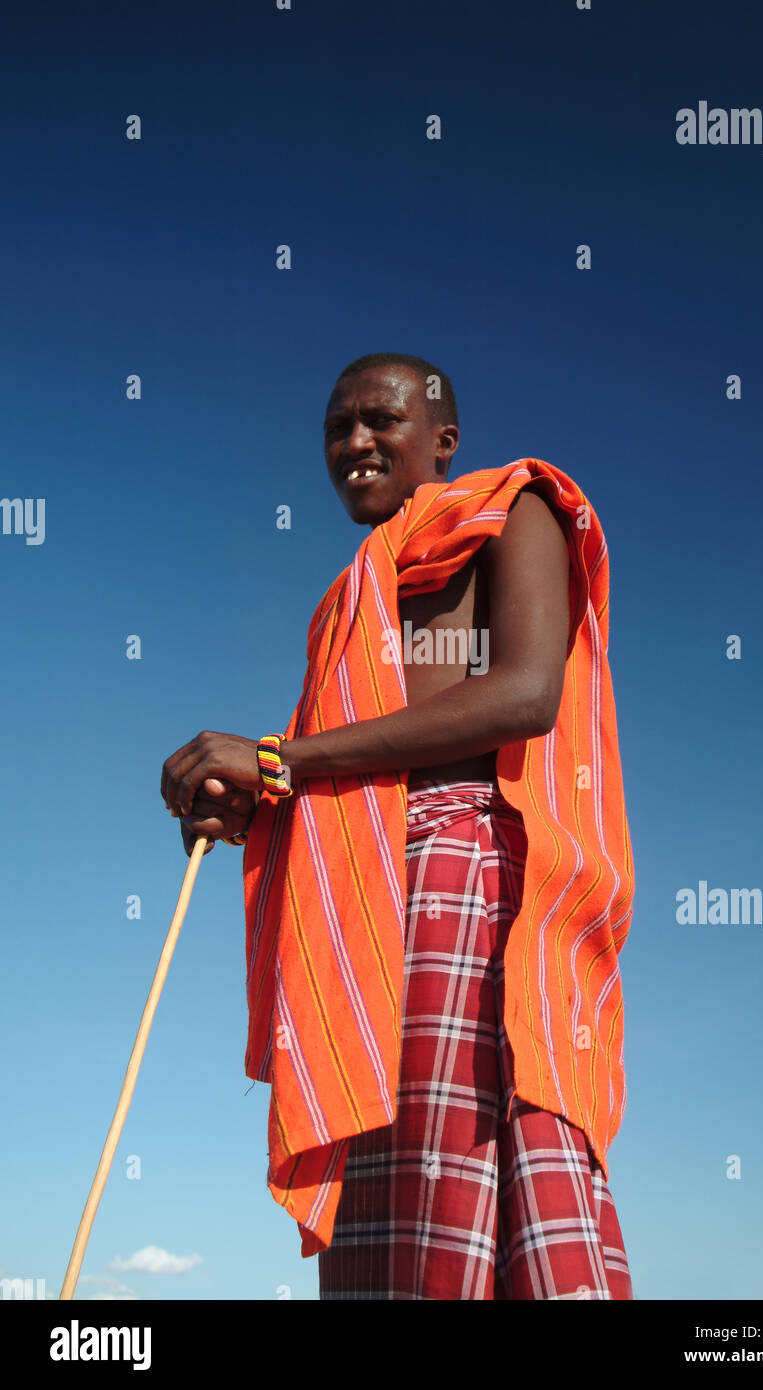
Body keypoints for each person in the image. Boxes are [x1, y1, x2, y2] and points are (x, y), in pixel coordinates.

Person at [160, 353, 635, 1299]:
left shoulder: (512, 507)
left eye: (380, 421)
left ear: (442, 439)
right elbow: (338, 775)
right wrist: (245, 803)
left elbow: (525, 694)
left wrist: (280, 760)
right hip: (359, 914)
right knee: (386, 1164)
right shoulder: (345, 602)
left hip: (468, 881)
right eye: (337, 429)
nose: (355, 444)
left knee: (471, 1142)